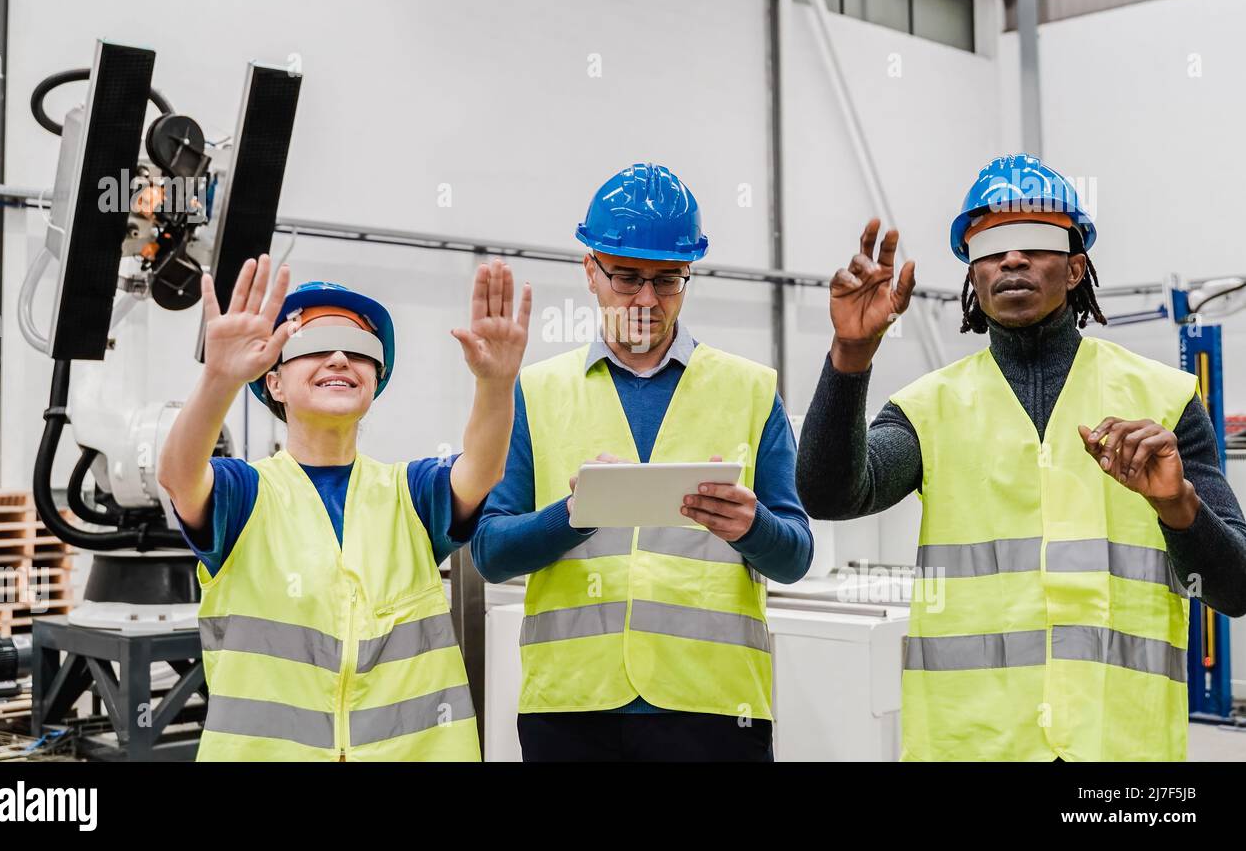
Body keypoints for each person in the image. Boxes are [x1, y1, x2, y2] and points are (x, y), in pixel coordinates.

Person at [796, 153, 1246, 761]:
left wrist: (1178, 507)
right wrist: (850, 356)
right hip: (972, 745)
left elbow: (1235, 588)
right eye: (991, 244)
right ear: (974, 274)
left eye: (1034, 241)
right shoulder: (930, 408)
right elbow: (828, 496)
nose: (1012, 257)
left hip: (1117, 751)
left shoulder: (1163, 403)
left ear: (1075, 265)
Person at [473, 163, 813, 761]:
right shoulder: (534, 392)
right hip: (572, 711)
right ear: (591, 271)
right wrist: (573, 513)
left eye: (668, 280)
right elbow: (491, 554)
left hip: (714, 709)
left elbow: (795, 558)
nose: (647, 300)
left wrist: (753, 528)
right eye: (627, 277)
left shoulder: (752, 390)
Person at [158, 253, 530, 760]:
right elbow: (178, 475)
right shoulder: (244, 495)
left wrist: (496, 382)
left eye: (358, 349)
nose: (338, 360)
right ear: (273, 380)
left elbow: (482, 469)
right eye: (311, 346)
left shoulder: (412, 494)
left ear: (374, 380)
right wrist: (218, 381)